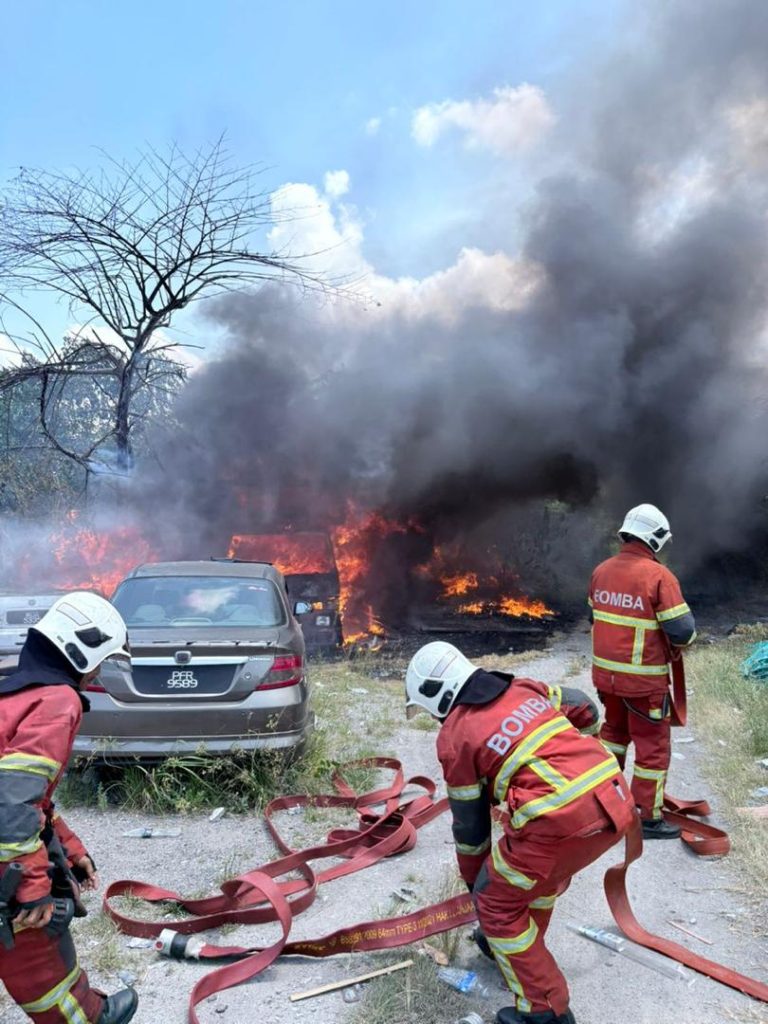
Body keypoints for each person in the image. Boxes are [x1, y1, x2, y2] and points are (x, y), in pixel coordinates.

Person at [405, 641, 635, 1024]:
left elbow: (471, 829)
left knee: (496, 900)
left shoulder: (456, 738)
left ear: (438, 695)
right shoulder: (524, 688)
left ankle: (544, 1009)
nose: (434, 721)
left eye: (430, 713)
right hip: (613, 798)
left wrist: (478, 888)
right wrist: (583, 749)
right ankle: (516, 948)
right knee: (537, 880)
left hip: (560, 820)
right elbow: (584, 706)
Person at [0, 592, 138, 1024]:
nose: (97, 673)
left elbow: (31, 799)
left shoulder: (11, 691)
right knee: (37, 942)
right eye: (101, 661)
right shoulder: (56, 700)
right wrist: (34, 884)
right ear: (81, 651)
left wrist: (71, 849)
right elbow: (12, 801)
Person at [589, 503, 696, 839]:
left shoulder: (601, 571)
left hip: (607, 681)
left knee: (613, 737)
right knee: (652, 749)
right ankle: (647, 818)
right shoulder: (658, 577)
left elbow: (595, 619)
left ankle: (602, 806)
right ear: (656, 539)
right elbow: (682, 631)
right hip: (644, 684)